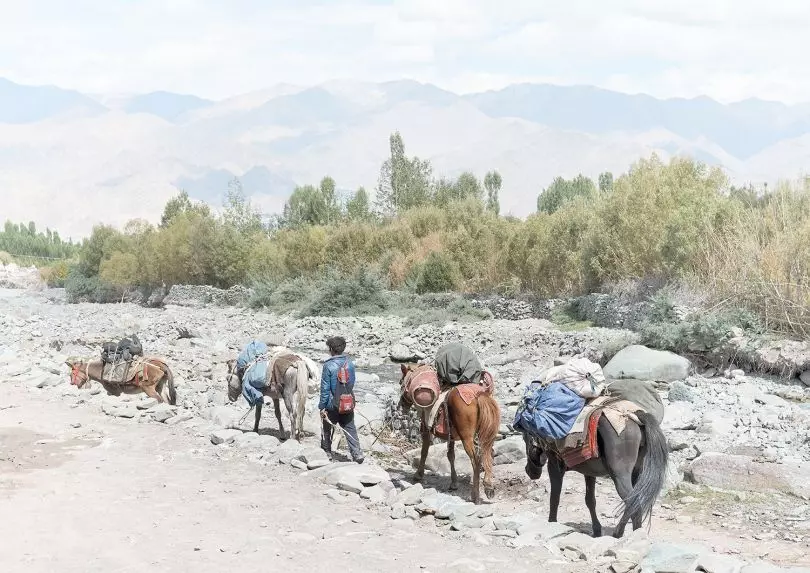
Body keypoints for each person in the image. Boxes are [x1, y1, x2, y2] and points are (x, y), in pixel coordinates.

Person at [319, 336, 364, 463]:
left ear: (332, 349)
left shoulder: (328, 365)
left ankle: (327, 451)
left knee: (327, 426)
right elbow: (351, 383)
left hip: (332, 405)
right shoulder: (350, 363)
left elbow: (325, 389)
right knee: (350, 427)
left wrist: (321, 406)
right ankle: (357, 453)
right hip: (347, 402)